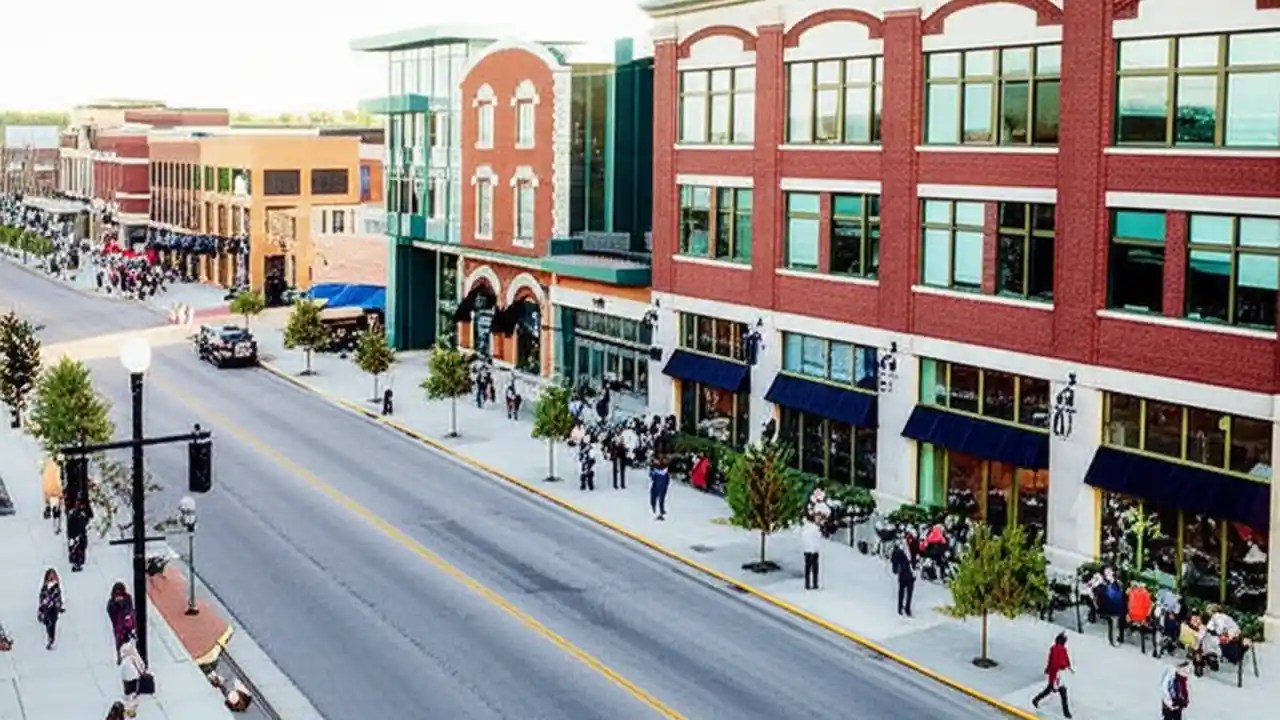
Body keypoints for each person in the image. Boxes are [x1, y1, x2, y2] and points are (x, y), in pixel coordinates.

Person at [1031, 633, 1073, 717]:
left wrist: (1048, 670)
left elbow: (1051, 660)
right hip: (1058, 673)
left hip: (1055, 673)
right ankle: (1067, 713)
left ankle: (1036, 700)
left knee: (1051, 689)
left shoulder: (1054, 648)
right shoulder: (1063, 649)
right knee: (1062, 692)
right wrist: (1068, 666)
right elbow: (1066, 660)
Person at [106, 582, 136, 659]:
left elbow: (129, 610)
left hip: (129, 626)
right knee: (120, 644)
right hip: (119, 629)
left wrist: (122, 603)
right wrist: (117, 604)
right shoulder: (111, 604)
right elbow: (113, 615)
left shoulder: (127, 599)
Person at [37, 568, 64, 650]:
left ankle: (51, 638)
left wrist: (59, 606)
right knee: (47, 621)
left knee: (52, 622)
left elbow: (58, 597)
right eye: (50, 575)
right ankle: (50, 637)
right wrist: (41, 607)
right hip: (46, 607)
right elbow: (42, 597)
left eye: (52, 575)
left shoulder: (56, 586)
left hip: (53, 608)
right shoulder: (45, 587)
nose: (51, 577)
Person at [119, 639, 147, 714]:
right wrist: (142, 672)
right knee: (134, 694)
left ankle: (127, 707)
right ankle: (131, 708)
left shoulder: (122, 651)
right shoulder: (132, 651)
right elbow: (138, 663)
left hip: (125, 676)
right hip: (133, 676)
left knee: (127, 693)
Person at [890, 538, 916, 617]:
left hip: (903, 573)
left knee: (902, 591)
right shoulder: (909, 546)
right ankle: (906, 608)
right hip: (907, 572)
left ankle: (901, 608)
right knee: (907, 592)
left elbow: (893, 560)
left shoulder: (898, 548)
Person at [802, 513, 823, 590]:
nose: (819, 520)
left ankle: (811, 584)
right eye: (817, 518)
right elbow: (814, 539)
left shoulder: (814, 528)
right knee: (811, 568)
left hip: (811, 550)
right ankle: (811, 584)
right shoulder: (813, 528)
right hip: (811, 551)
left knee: (812, 568)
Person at [649, 456, 670, 521]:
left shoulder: (661, 468)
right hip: (659, 484)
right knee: (657, 497)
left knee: (658, 497)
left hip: (660, 484)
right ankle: (658, 511)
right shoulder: (656, 468)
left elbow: (652, 475)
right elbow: (651, 476)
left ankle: (659, 512)